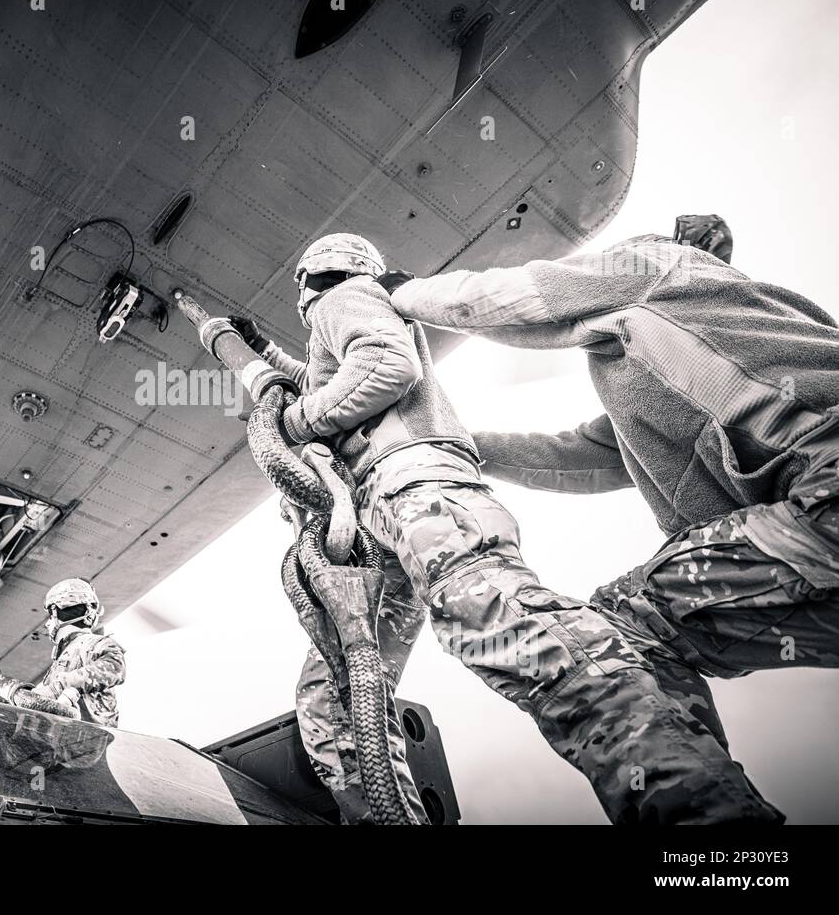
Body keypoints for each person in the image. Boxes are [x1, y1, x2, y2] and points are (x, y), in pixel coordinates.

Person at [232, 231, 779, 824]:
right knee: (343, 696)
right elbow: (327, 375)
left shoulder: (348, 299)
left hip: (414, 494)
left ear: (313, 279)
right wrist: (259, 353)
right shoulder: (343, 322)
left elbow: (391, 360)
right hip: (389, 512)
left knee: (513, 629)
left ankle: (716, 833)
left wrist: (302, 415)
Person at [385, 214, 839, 768]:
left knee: (619, 634)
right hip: (817, 534)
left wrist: (398, 294)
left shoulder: (656, 265)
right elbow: (586, 457)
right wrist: (455, 445)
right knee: (651, 637)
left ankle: (692, 807)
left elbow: (502, 298)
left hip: (825, 489)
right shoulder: (681, 363)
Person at [32, 578, 126, 727]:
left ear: (56, 612)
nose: (47, 623)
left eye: (50, 616)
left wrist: (59, 687)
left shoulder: (92, 643)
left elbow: (114, 667)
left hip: (86, 739)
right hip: (58, 739)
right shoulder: (62, 658)